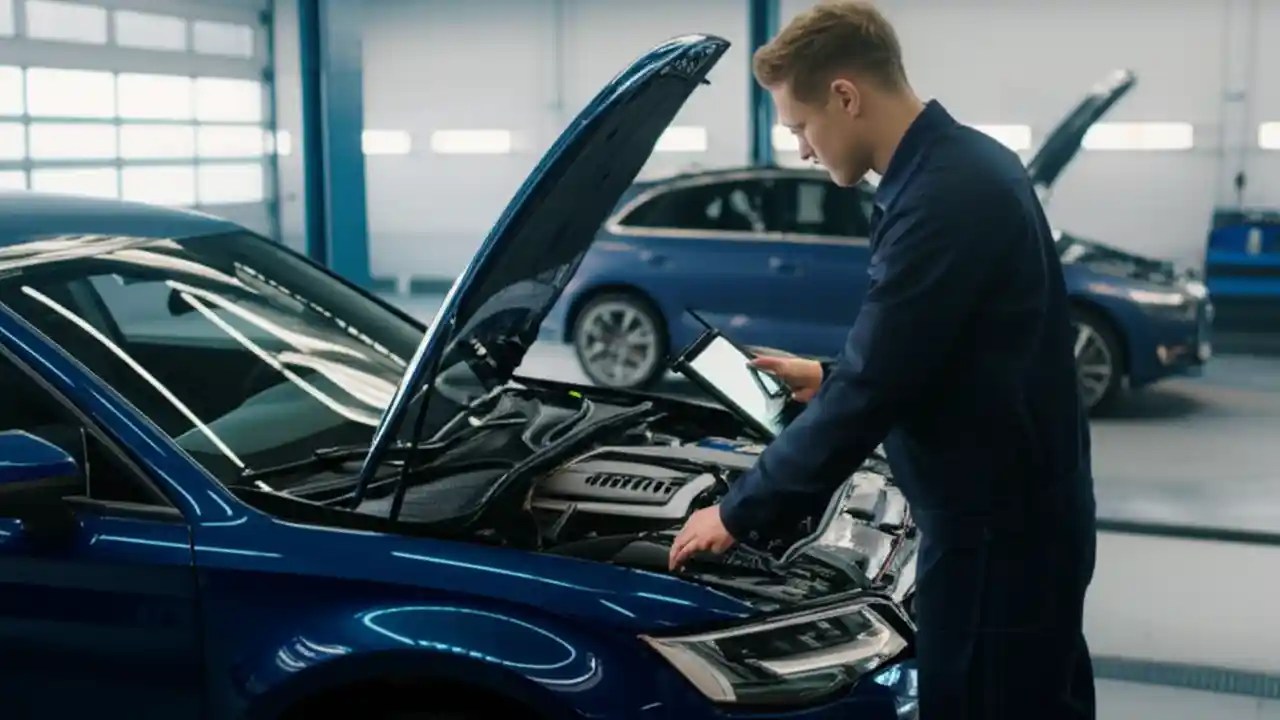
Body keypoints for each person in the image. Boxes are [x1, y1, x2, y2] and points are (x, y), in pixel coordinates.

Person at [667, 2, 1098, 718]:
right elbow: (940, 351)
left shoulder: (944, 196)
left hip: (997, 532)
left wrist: (739, 513)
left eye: (801, 126)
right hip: (1017, 513)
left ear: (846, 95)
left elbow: (877, 382)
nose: (802, 149)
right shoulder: (963, 163)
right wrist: (825, 377)